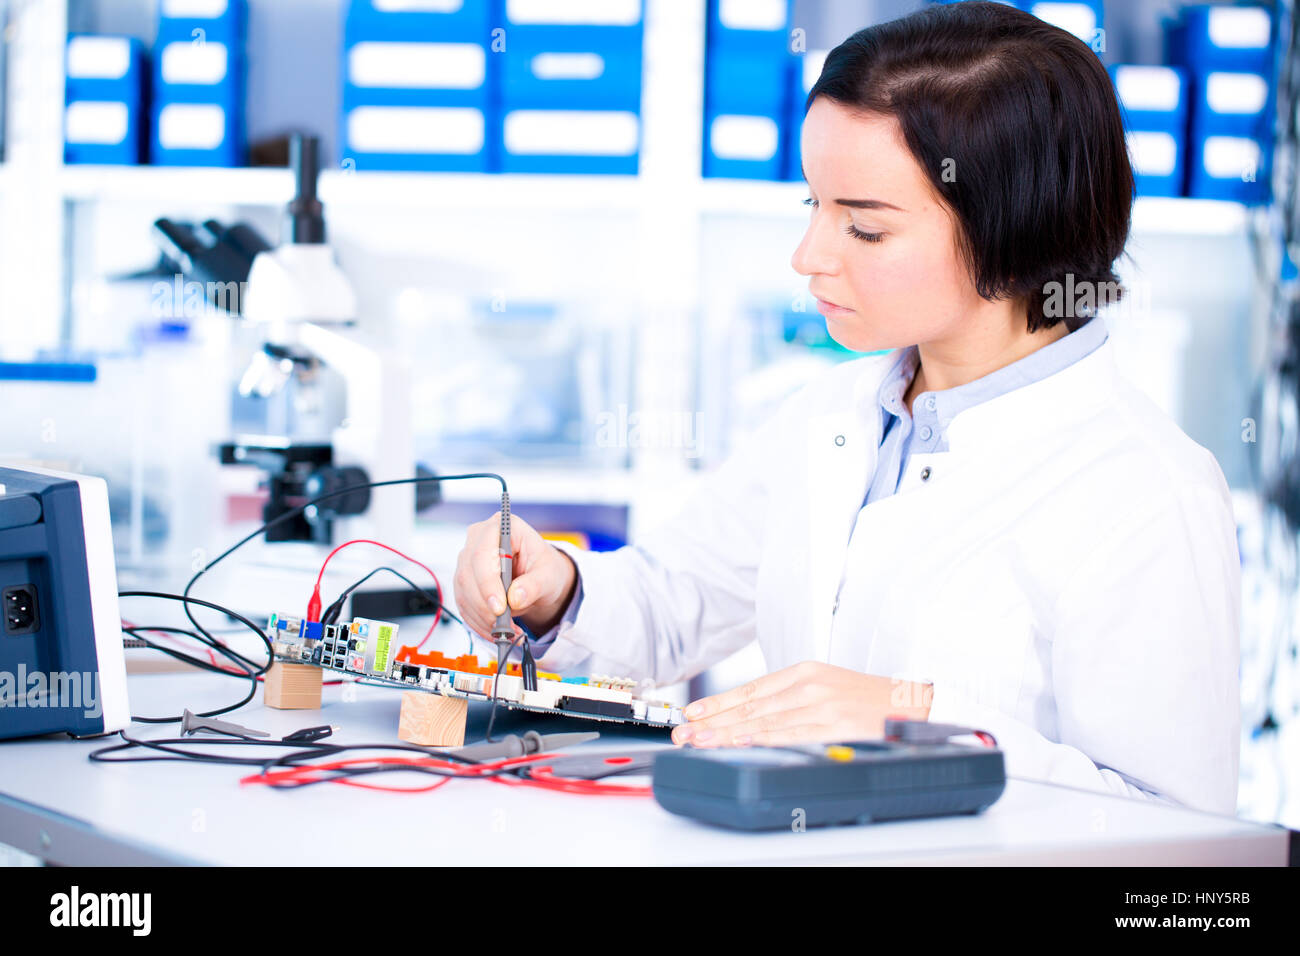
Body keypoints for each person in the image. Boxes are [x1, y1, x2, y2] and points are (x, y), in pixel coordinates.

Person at [453, 2, 1241, 815]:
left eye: (863, 228)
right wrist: (556, 587)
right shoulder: (831, 414)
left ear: (1020, 233)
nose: (807, 257)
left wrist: (919, 721)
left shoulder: (1149, 493)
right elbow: (677, 600)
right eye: (814, 206)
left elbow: (1183, 838)